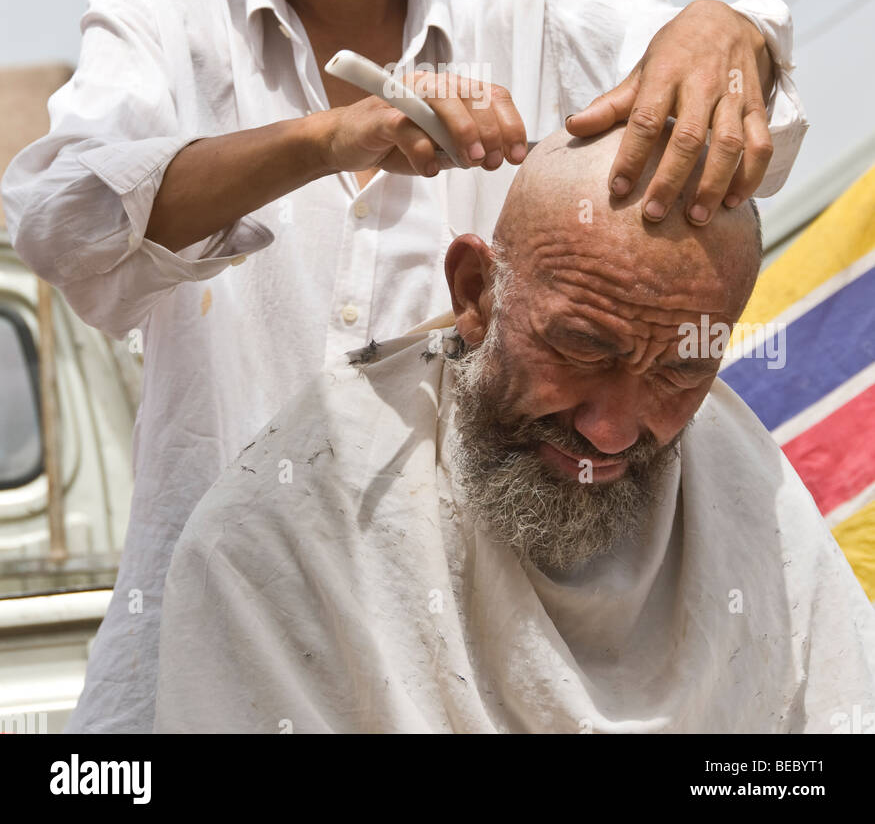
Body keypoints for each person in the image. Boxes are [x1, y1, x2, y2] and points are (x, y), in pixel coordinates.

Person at [1, 0, 807, 733]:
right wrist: (330, 139)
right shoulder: (165, 12)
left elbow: (739, 117)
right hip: (212, 657)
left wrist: (734, 32)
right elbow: (65, 215)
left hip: (477, 676)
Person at [154, 125, 875, 735]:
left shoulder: (743, 479)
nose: (612, 432)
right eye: (584, 350)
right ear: (474, 292)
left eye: (678, 375)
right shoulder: (287, 534)